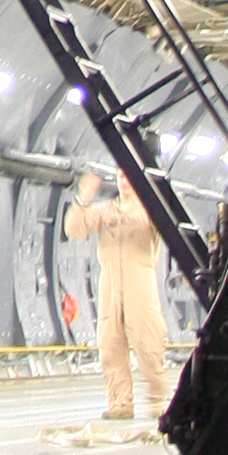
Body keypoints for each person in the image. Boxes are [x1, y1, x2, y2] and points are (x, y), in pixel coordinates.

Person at [65, 163, 173, 420]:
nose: (125, 182)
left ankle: (158, 400)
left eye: (130, 177)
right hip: (110, 283)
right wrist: (83, 197)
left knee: (149, 342)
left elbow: (167, 225)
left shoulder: (150, 210)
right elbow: (74, 228)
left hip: (140, 280)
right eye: (121, 177)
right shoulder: (105, 211)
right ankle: (120, 403)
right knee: (110, 345)